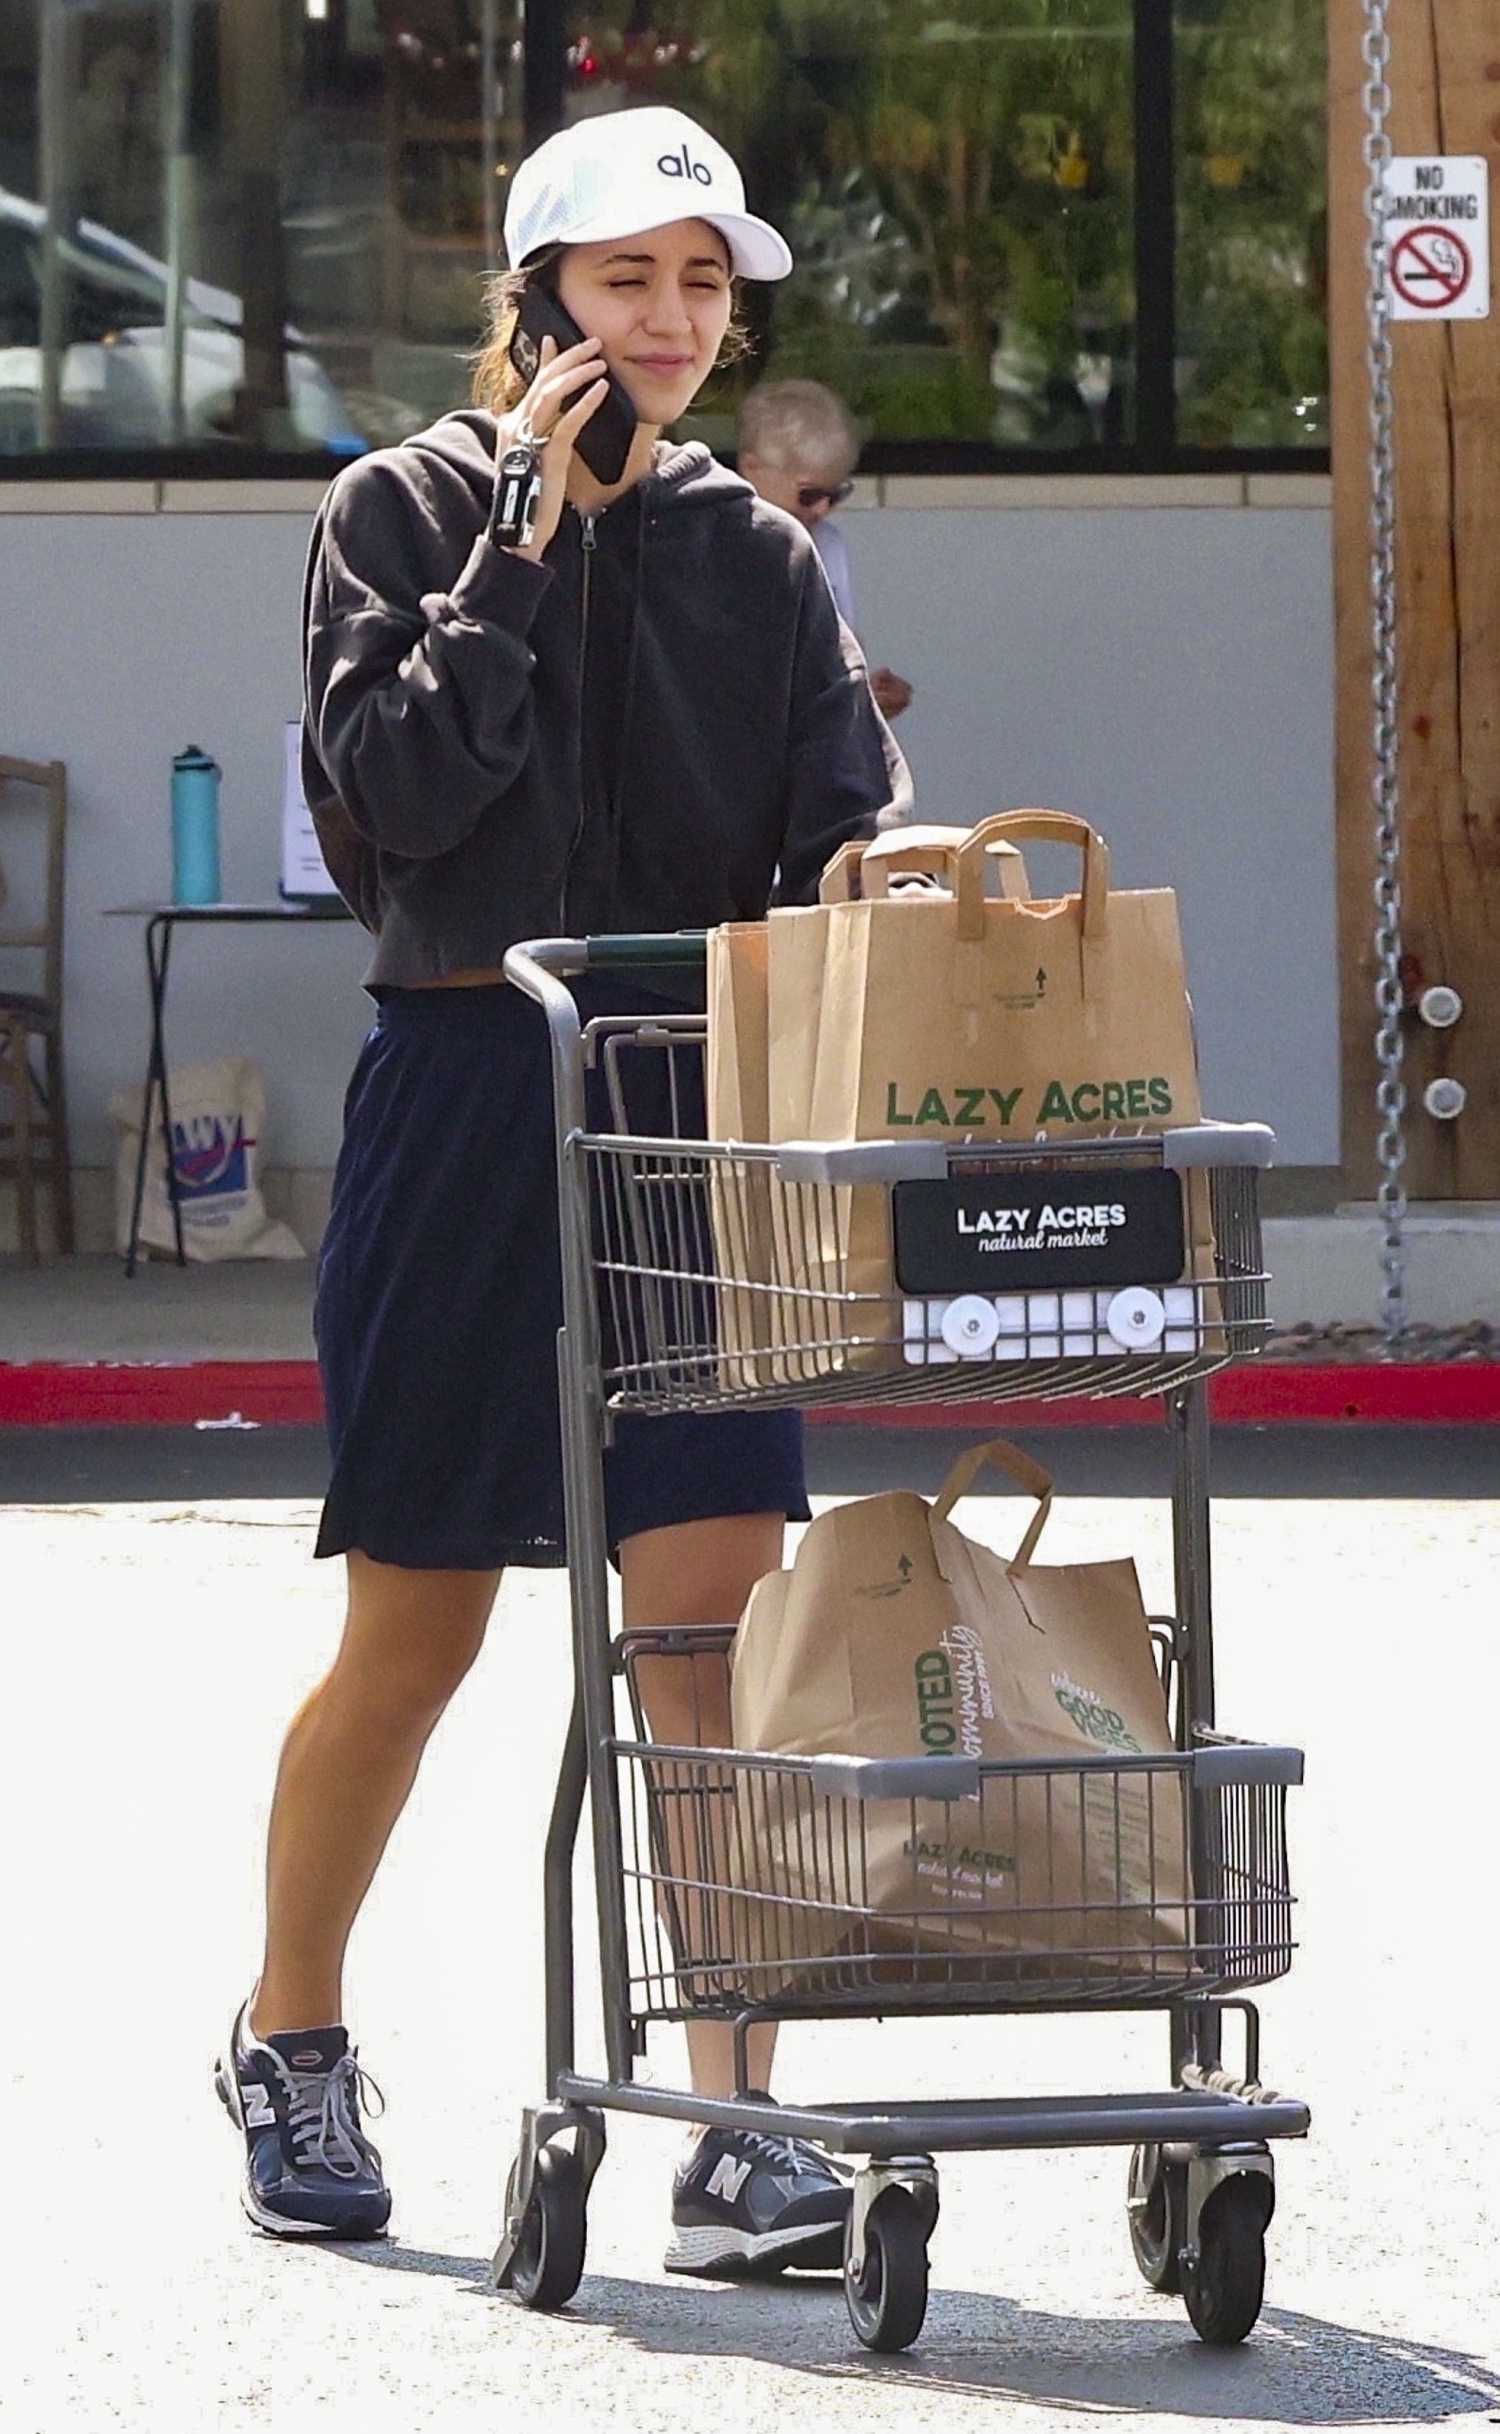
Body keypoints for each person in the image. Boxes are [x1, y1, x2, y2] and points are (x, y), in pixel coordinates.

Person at [214, 104, 910, 2277]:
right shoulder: (393, 507)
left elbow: (835, 831)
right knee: (416, 1620)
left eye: (705, 285)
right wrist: (525, 536)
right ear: (534, 301)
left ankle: (735, 2108)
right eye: (629, 281)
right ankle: (292, 2030)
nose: (675, 324)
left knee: (703, 1629)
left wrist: (889, 878)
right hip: (464, 1088)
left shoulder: (761, 558)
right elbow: (398, 800)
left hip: (699, 1118)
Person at [737, 378, 914, 723]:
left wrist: (865, 698)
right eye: (808, 494)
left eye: (836, 496)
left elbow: (840, 659)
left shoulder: (828, 546)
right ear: (752, 469)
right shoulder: (709, 540)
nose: (821, 510)